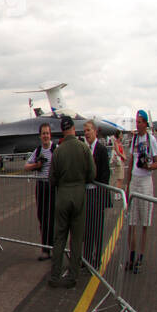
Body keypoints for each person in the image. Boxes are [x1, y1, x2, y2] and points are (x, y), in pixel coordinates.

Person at [48, 116, 95, 287]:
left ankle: (55, 276)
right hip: (79, 196)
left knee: (59, 237)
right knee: (76, 239)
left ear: (62, 129)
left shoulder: (58, 151)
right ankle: (72, 276)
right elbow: (92, 174)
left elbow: (51, 178)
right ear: (74, 128)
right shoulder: (83, 148)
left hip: (62, 197)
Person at [124, 109, 157, 273]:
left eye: (140, 122)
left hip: (146, 181)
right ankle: (131, 256)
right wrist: (127, 183)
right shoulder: (133, 141)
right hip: (135, 181)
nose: (137, 124)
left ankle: (141, 256)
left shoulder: (151, 139)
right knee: (132, 221)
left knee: (144, 222)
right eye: (136, 122)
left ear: (145, 124)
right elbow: (131, 161)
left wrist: (148, 166)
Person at [82, 119, 112, 270]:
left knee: (97, 229)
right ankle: (86, 258)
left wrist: (96, 183)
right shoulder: (84, 149)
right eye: (85, 130)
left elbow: (106, 173)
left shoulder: (100, 150)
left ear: (95, 131)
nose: (86, 133)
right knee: (87, 229)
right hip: (86, 194)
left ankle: (96, 259)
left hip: (97, 194)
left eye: (88, 130)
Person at [23, 123, 56, 260]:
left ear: (50, 134)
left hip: (53, 187)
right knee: (42, 218)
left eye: (47, 133)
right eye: (43, 133)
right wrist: (37, 165)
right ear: (40, 136)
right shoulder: (38, 151)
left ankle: (54, 248)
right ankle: (45, 249)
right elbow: (26, 166)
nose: (46, 136)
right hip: (41, 187)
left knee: (53, 219)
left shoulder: (56, 149)